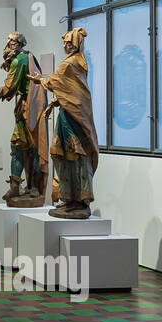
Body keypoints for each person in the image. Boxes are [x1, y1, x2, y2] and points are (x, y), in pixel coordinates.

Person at [31, 28, 100, 219]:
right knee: (65, 156)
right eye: (64, 43)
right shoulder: (79, 63)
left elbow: (57, 83)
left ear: (77, 44)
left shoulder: (70, 63)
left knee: (73, 156)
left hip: (71, 118)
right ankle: (70, 199)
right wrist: (54, 102)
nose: (65, 46)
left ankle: (79, 200)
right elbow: (71, 93)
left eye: (69, 43)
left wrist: (40, 81)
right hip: (69, 115)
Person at [0, 31, 48, 206]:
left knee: (20, 146)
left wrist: (0, 91)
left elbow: (10, 87)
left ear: (20, 44)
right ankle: (30, 187)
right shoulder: (28, 56)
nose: (10, 43)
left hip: (29, 109)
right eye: (9, 40)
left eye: (14, 41)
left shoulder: (19, 60)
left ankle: (18, 186)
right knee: (29, 147)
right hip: (31, 106)